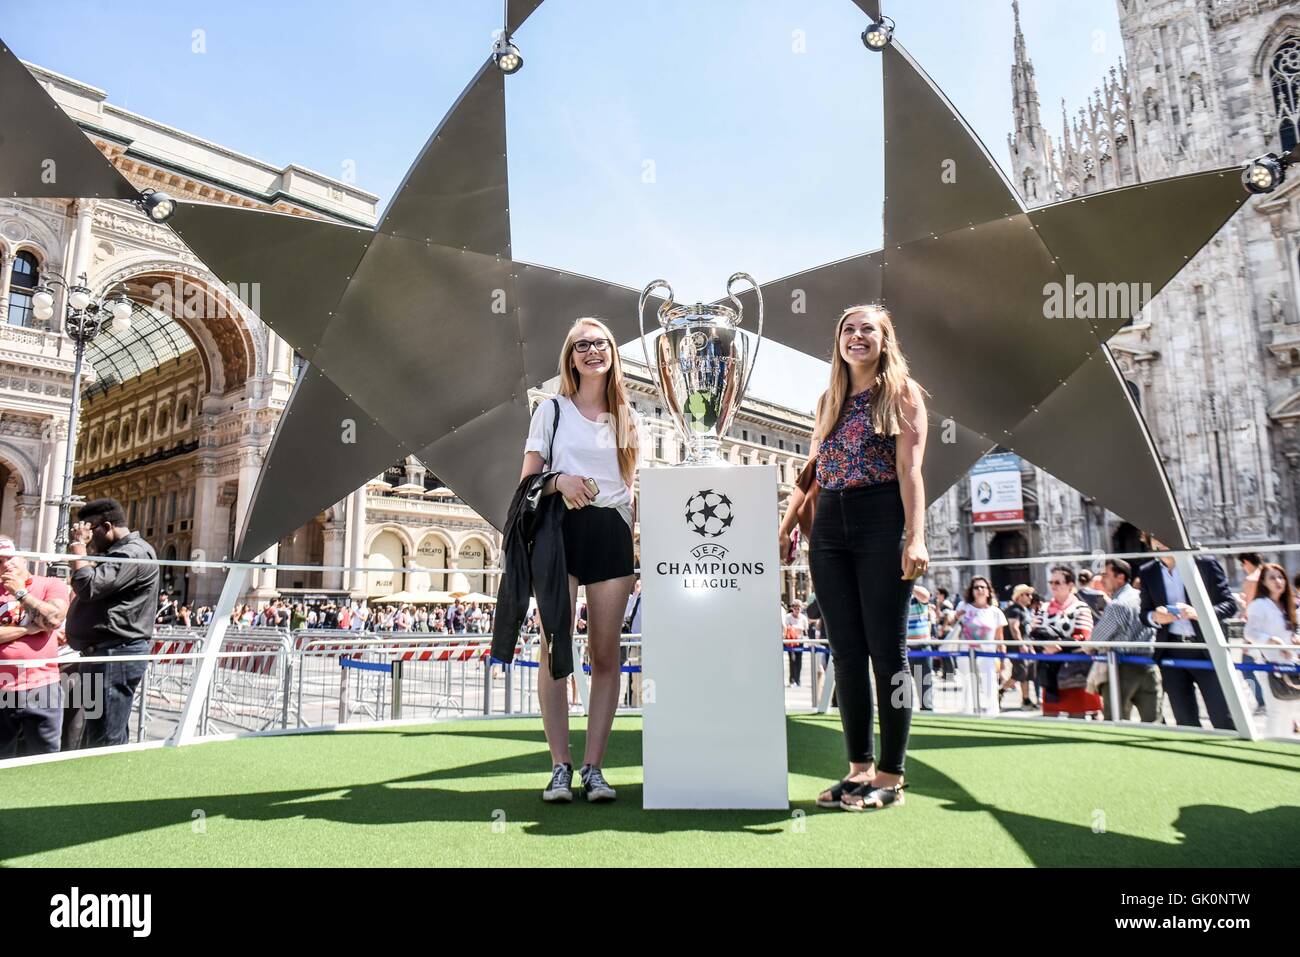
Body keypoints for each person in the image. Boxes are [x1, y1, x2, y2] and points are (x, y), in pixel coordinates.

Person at [777, 303, 929, 812]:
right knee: (844, 653)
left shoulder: (902, 394)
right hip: (830, 526)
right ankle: (858, 768)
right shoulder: (829, 398)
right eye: (848, 329)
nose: (856, 336)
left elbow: (910, 471)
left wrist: (915, 537)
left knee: (888, 652)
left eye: (868, 329)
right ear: (838, 341)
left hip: (881, 518)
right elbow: (813, 469)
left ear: (885, 340)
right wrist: (786, 524)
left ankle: (892, 772)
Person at [520, 317, 644, 803]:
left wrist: (633, 537)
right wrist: (559, 482)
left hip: (611, 531)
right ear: (570, 358)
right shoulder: (550, 411)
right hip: (560, 530)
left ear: (613, 352)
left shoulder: (627, 417)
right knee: (556, 648)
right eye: (582, 345)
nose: (593, 351)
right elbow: (527, 479)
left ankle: (594, 767)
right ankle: (559, 766)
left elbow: (629, 486)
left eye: (601, 344)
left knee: (606, 654)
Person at [65, 498, 160, 748]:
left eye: (88, 531)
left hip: (115, 654)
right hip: (104, 653)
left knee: (105, 736)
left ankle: (105, 783)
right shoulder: (118, 553)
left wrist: (78, 548)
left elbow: (88, 587)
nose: (86, 538)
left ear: (106, 526)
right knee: (100, 729)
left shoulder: (133, 553)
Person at [1137, 540, 1237, 730]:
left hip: (1206, 649)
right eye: (1155, 538)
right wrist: (1155, 617)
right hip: (1171, 651)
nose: (1161, 541)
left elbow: (1229, 605)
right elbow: (1144, 613)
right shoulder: (1148, 571)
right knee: (1184, 720)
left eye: (1164, 536)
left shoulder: (1204, 564)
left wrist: (1198, 613)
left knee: (1223, 717)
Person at [0, 536, 70, 757]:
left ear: (22, 557)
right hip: (3, 687)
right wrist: (27, 629)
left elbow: (53, 620)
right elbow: (43, 623)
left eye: (10, 557)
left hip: (42, 686)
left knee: (44, 758)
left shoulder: (50, 584)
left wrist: (21, 593)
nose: (6, 564)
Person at [1089, 558, 1161, 723]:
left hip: (1122, 670)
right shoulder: (1142, 597)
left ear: (1120, 577)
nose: (1102, 579)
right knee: (1154, 722)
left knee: (1116, 721)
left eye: (1105, 575)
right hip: (1149, 666)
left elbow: (1096, 639)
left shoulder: (1117, 605)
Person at [1242, 562, 1300, 737]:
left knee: (1292, 709)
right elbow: (1250, 632)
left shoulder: (1288, 605)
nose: (1278, 581)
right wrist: (1271, 640)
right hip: (1270, 666)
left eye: (1281, 577)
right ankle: (1274, 746)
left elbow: (1292, 629)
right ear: (1264, 582)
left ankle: (1286, 746)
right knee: (1276, 711)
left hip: (1291, 664)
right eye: (1272, 577)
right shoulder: (1259, 605)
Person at [1035, 566, 1100, 718]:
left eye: (1057, 582)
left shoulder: (1081, 608)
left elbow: (1083, 635)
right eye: (1051, 582)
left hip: (1074, 670)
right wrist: (1043, 647)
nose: (1053, 586)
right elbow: (1034, 632)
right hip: (1049, 671)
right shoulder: (1044, 608)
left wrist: (1058, 647)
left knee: (1077, 716)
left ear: (1070, 585)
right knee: (1050, 715)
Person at [952, 576, 1006, 715]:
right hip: (965, 652)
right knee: (967, 682)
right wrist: (956, 617)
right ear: (972, 591)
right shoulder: (963, 606)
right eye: (976, 587)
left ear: (989, 591)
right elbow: (952, 625)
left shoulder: (995, 612)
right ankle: (968, 710)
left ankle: (992, 711)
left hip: (987, 653)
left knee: (989, 683)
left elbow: (1000, 637)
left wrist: (1002, 658)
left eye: (983, 587)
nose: (980, 590)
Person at [1002, 584, 1037, 709]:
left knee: (1026, 673)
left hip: (1024, 646)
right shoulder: (1014, 610)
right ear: (1019, 595)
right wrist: (1020, 643)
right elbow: (1014, 627)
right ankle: (1000, 692)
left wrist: (1030, 645)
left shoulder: (1024, 610)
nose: (1030, 597)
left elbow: (1026, 631)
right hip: (1016, 647)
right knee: (1021, 672)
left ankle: (1026, 699)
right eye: (1027, 594)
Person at [783, 599, 809, 688]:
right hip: (790, 641)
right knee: (792, 660)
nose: (797, 610)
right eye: (795, 608)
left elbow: (806, 630)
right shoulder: (787, 617)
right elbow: (785, 628)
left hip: (799, 641)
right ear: (792, 608)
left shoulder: (803, 618)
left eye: (798, 608)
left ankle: (798, 680)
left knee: (799, 660)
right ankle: (792, 679)